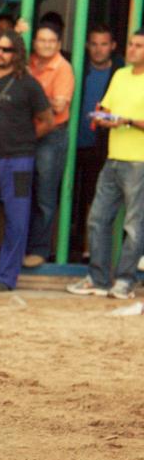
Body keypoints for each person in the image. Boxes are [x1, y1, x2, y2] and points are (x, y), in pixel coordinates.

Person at [0, 30, 53, 291]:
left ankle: (5, 277)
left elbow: (48, 120)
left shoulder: (28, 84)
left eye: (6, 50)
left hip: (18, 161)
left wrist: (25, 140)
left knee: (17, 218)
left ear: (17, 54)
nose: (0, 54)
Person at [67, 29, 144, 300]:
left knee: (135, 225)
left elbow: (127, 118)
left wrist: (127, 121)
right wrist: (103, 117)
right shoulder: (121, 75)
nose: (132, 49)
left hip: (140, 161)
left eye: (138, 45)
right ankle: (98, 279)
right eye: (131, 44)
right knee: (98, 219)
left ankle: (125, 281)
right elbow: (109, 109)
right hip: (113, 157)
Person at [70, 24, 124, 260]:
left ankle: (90, 250)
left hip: (105, 147)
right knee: (70, 198)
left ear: (112, 46)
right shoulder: (78, 69)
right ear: (86, 46)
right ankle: (63, 248)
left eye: (104, 44)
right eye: (94, 43)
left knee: (96, 200)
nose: (99, 49)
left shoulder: (121, 73)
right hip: (74, 144)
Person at [23, 23, 75, 268]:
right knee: (21, 192)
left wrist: (32, 99)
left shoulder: (63, 68)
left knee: (44, 194)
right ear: (34, 43)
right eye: (41, 40)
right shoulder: (28, 63)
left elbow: (59, 108)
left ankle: (39, 249)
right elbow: (50, 102)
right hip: (25, 134)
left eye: (51, 41)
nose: (45, 45)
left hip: (51, 136)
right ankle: (18, 248)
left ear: (58, 44)